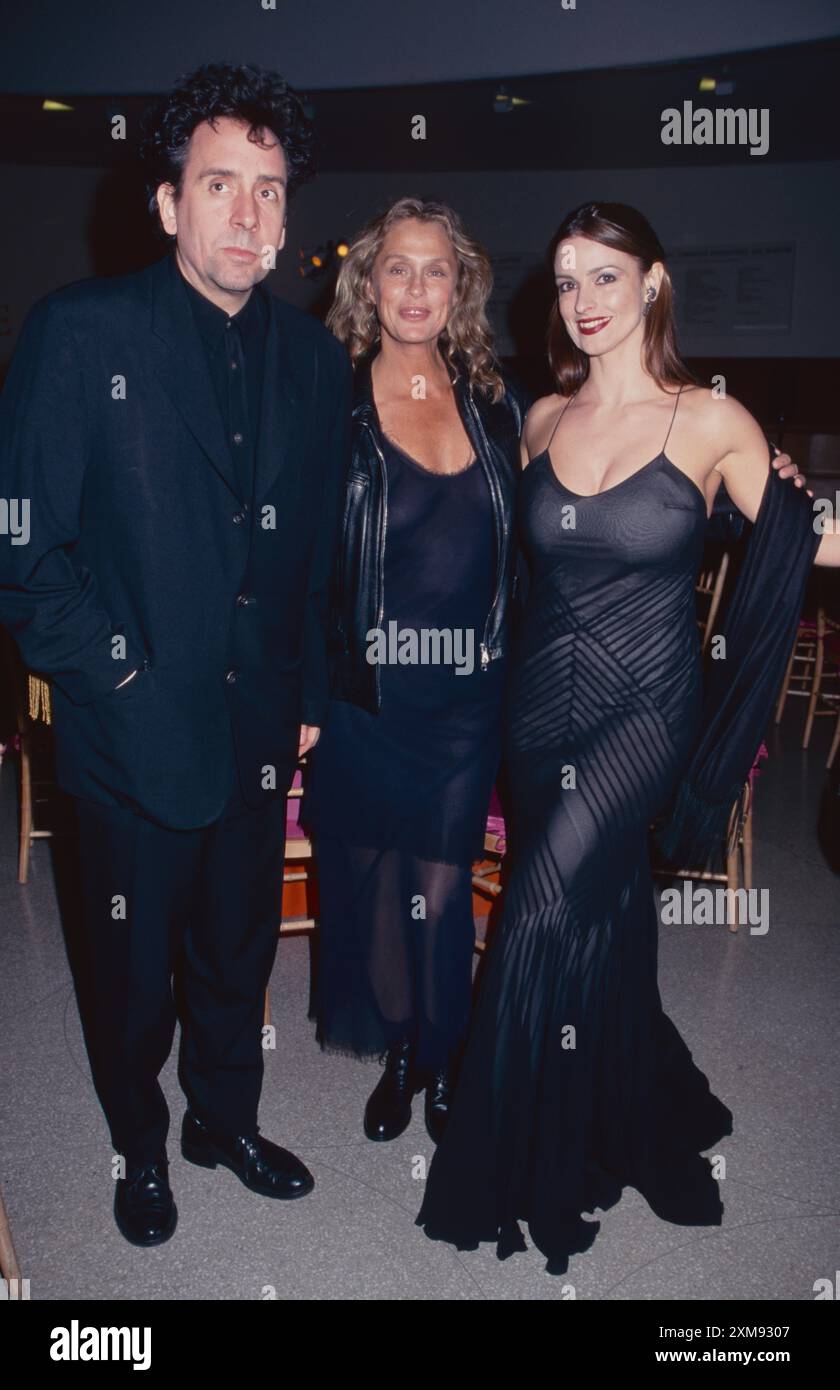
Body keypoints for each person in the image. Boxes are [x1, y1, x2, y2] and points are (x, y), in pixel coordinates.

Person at [415, 200, 839, 1273]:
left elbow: (811, 539)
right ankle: (618, 1098)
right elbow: (501, 569)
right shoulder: (541, 421)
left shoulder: (712, 420)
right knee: (595, 916)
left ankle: (506, 1159)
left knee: (538, 906)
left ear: (652, 282)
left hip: (645, 711)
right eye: (566, 280)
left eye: (605, 276)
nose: (583, 300)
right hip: (536, 712)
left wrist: (803, 504)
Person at [0, 62, 352, 1247]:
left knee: (237, 952)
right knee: (127, 968)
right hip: (129, 726)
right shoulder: (79, 332)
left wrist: (308, 690)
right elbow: (23, 551)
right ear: (166, 203)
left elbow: (312, 555)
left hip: (260, 726)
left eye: (269, 189)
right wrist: (123, 678)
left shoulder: (316, 362)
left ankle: (223, 1121)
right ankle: (139, 1146)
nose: (248, 212)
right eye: (219, 184)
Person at [301, 198, 528, 1143]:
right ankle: (403, 1048)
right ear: (369, 281)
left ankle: (443, 1054)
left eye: (437, 270)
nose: (417, 287)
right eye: (399, 267)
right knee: (374, 882)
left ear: (460, 286)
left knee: (437, 884)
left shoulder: (496, 400)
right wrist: (304, 690)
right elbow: (298, 560)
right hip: (366, 693)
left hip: (467, 695)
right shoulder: (332, 398)